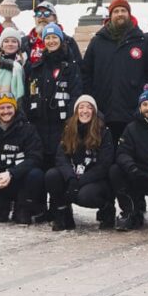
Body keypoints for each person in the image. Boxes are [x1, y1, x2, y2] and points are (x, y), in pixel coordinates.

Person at [83, 0, 148, 141]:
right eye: (116, 11)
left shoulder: (142, 40)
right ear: (110, 16)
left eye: (123, 10)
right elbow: (86, 71)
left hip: (133, 110)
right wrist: (92, 96)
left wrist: (147, 92)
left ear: (129, 14)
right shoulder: (97, 42)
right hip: (104, 111)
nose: (120, 14)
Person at [0, 90, 45, 224]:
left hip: (19, 178)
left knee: (36, 174)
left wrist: (11, 173)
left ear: (15, 108)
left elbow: (35, 157)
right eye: (2, 108)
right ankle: (1, 206)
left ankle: (22, 207)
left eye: (9, 107)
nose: (6, 111)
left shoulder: (28, 129)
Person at [44, 94, 116, 231]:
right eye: (81, 107)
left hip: (95, 179)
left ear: (94, 111)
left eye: (89, 107)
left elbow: (104, 164)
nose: (85, 111)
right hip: (74, 175)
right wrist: (70, 178)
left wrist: (80, 181)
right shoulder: (68, 129)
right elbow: (61, 157)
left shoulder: (103, 132)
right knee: (52, 175)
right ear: (76, 110)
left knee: (85, 196)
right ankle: (63, 214)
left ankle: (107, 210)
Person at [110, 85, 148, 230]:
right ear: (140, 107)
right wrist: (132, 168)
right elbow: (122, 152)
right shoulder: (131, 128)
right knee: (115, 170)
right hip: (138, 173)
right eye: (145, 104)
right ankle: (130, 212)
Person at [26, 23, 83, 161]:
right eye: (48, 38)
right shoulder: (37, 66)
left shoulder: (71, 66)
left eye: (54, 37)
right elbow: (30, 94)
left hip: (62, 124)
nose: (51, 41)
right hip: (40, 125)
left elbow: (76, 93)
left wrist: (70, 120)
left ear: (61, 39)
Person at [0, 26, 29, 118]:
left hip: (20, 111)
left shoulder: (25, 65)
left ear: (18, 44)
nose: (10, 44)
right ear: (1, 45)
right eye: (6, 41)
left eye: (14, 41)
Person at [25, 0, 81, 64]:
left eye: (47, 14)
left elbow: (78, 67)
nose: (42, 17)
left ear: (55, 18)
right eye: (38, 14)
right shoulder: (26, 42)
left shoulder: (68, 41)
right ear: (35, 18)